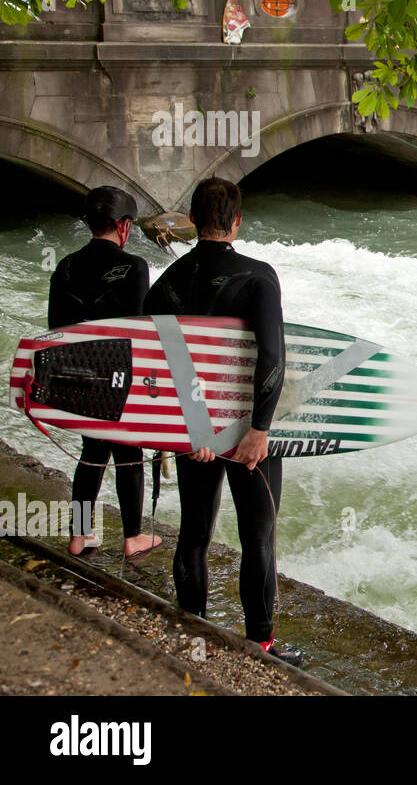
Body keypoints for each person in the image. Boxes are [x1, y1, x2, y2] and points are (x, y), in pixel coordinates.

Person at [142, 178, 298, 664]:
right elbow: (271, 358)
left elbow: (156, 369)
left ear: (190, 219)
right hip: (245, 430)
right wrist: (259, 429)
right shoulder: (257, 277)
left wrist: (184, 433)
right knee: (258, 537)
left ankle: (192, 633)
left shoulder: (164, 284)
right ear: (237, 221)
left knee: (193, 533)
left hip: (194, 432)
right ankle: (261, 645)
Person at [48, 187, 162, 559]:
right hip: (119, 375)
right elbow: (139, 331)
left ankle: (80, 535)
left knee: (91, 451)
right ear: (124, 225)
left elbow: (55, 331)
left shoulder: (64, 266)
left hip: (77, 376)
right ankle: (132, 537)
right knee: (129, 451)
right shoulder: (134, 267)